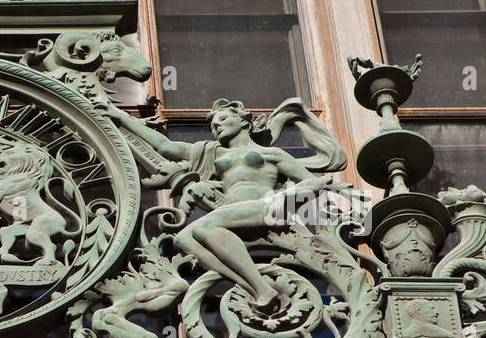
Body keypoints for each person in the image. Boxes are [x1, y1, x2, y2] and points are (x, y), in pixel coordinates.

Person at [99, 97, 348, 313]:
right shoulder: (214, 153)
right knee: (183, 239)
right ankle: (251, 285)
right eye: (212, 124)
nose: (216, 125)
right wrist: (120, 116)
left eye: (223, 118)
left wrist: (286, 197)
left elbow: (310, 182)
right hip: (231, 211)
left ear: (244, 121)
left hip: (266, 206)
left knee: (205, 227)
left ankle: (261, 288)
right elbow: (167, 147)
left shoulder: (271, 154)